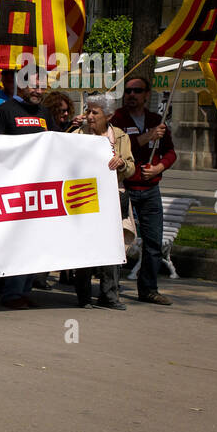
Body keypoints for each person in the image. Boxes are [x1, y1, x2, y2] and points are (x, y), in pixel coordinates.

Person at [0, 68, 50, 309]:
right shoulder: (5, 111)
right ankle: (12, 294)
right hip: (13, 188)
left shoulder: (45, 113)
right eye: (34, 86)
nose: (38, 91)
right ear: (21, 85)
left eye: (42, 86)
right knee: (18, 243)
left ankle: (24, 290)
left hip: (40, 188)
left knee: (33, 242)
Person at [112, 75, 176, 305]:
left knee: (154, 242)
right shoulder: (117, 119)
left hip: (150, 189)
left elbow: (170, 152)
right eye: (128, 91)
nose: (131, 95)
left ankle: (148, 288)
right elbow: (121, 146)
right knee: (119, 240)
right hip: (125, 187)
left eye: (137, 91)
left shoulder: (155, 119)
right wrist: (147, 136)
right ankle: (112, 287)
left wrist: (159, 166)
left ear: (147, 95)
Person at [70, 94, 134, 309]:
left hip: (113, 197)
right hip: (85, 197)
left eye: (94, 112)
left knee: (112, 247)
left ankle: (110, 295)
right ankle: (84, 295)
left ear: (109, 115)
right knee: (85, 245)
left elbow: (132, 167)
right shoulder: (77, 134)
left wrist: (122, 163)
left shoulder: (121, 137)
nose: (89, 116)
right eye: (88, 111)